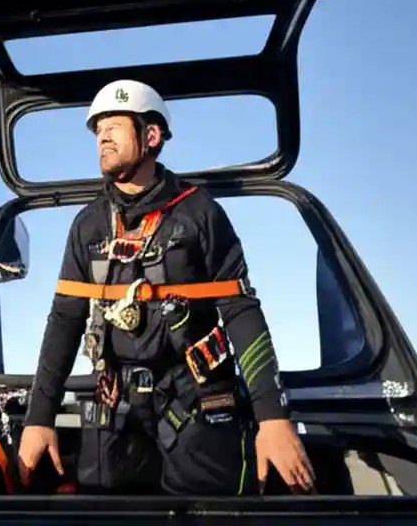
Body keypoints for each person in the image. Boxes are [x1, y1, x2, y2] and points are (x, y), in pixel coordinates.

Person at [16, 78, 315, 496]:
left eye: (113, 125)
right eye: (97, 128)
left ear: (151, 136)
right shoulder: (87, 227)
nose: (101, 134)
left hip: (197, 401)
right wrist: (38, 418)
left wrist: (272, 417)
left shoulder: (201, 213)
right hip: (114, 405)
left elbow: (241, 311)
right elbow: (64, 321)